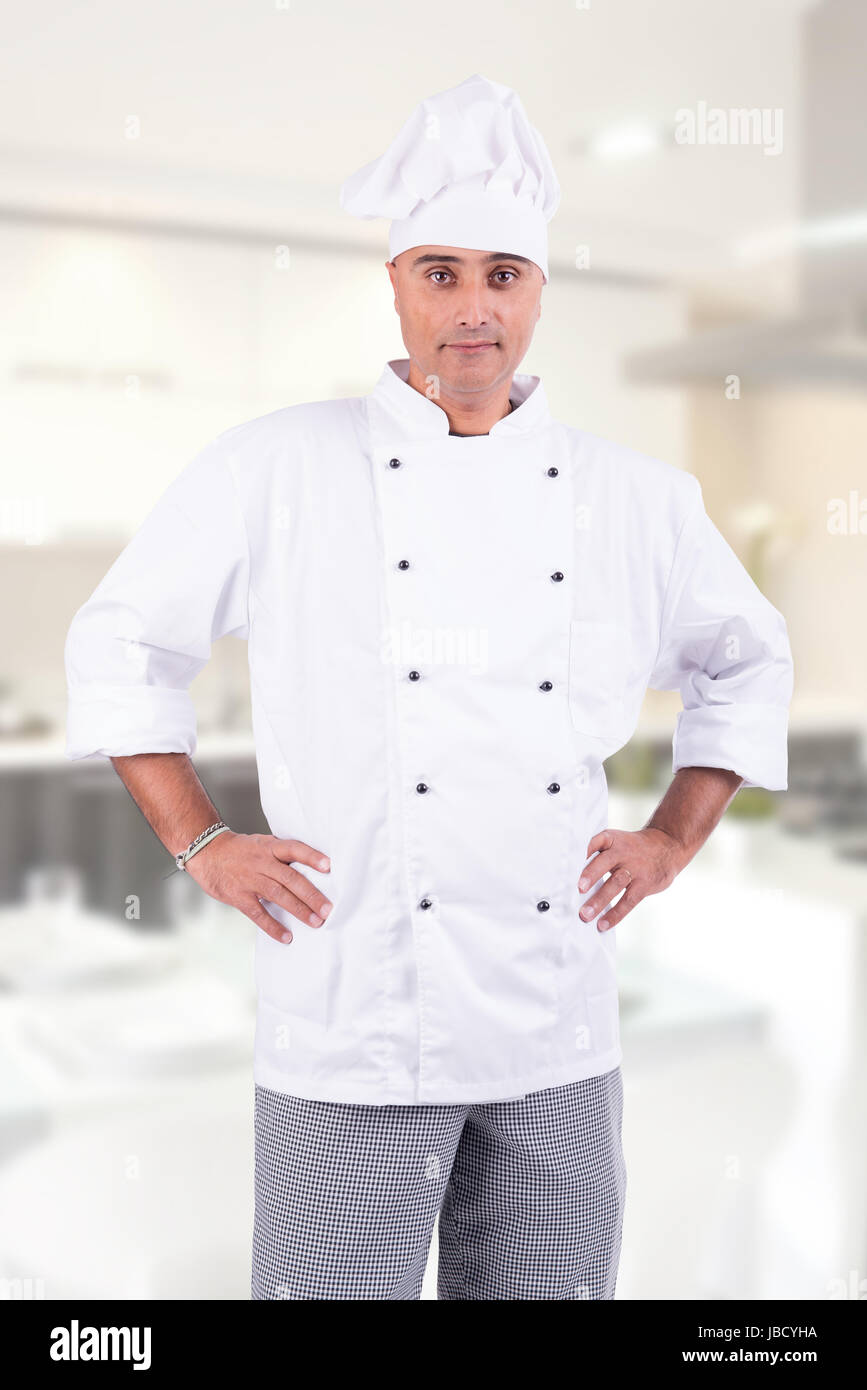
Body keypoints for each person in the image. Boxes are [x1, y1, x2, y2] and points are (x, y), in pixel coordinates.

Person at [64, 74, 794, 1300]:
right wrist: (200, 844)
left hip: (555, 1028)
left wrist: (674, 834)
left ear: (540, 293)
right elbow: (120, 642)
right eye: (440, 272)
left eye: (503, 275)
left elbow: (748, 655)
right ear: (396, 283)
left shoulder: (635, 499)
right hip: (351, 1025)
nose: (471, 308)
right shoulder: (277, 468)